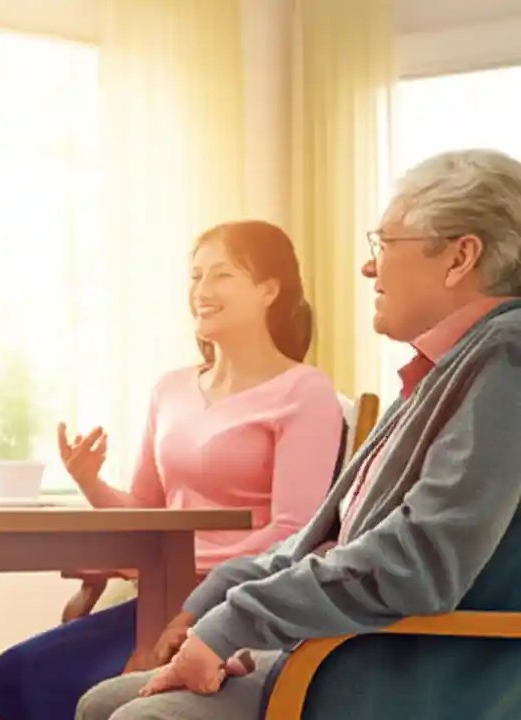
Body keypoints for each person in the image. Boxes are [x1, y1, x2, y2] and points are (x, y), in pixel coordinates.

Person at [76, 148, 521, 720]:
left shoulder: (507, 359)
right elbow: (327, 540)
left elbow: (419, 560)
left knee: (138, 716)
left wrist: (234, 620)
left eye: (385, 245)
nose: (369, 268)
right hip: (351, 647)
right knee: (102, 702)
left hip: (409, 672)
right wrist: (217, 597)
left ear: (460, 257)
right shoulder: (444, 369)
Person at [0, 220, 344, 720]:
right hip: (156, 595)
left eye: (222, 275)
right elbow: (144, 510)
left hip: (228, 607)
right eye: (196, 276)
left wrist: (185, 574)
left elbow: (293, 532)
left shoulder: (305, 391)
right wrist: (90, 482)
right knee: (15, 674)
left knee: (97, 691)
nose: (202, 290)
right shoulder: (170, 389)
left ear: (269, 289)